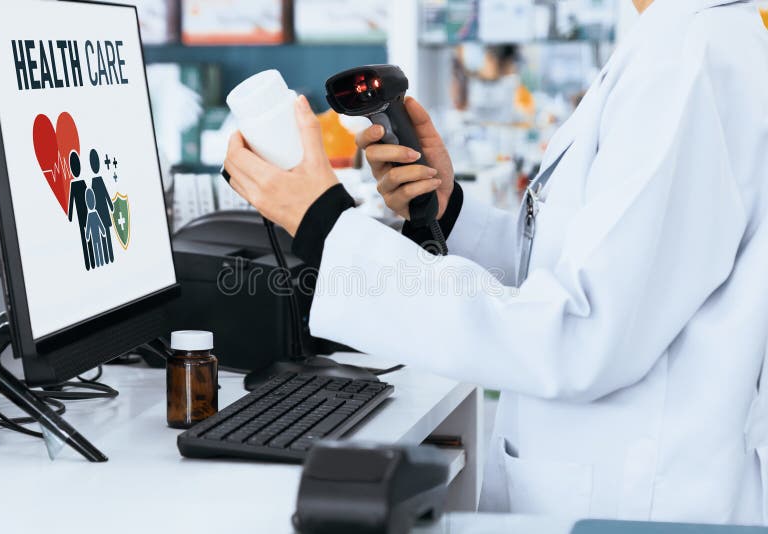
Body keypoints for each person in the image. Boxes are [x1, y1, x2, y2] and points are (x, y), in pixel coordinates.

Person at [223, 0, 768, 523]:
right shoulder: (674, 41)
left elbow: (580, 335)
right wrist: (447, 211)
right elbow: (591, 271)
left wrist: (325, 223)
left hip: (633, 505)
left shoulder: (687, 59)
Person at [67, 151, 94, 270]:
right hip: (84, 214)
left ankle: (90, 262)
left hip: (84, 214)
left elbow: (73, 201)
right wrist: (71, 215)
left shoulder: (79, 183)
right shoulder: (80, 183)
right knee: (87, 238)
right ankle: (90, 262)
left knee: (86, 237)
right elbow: (73, 201)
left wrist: (71, 215)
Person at [89, 149, 115, 265]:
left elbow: (106, 194)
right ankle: (107, 257)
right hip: (100, 212)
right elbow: (101, 196)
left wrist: (111, 205)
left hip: (103, 212)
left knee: (107, 234)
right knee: (105, 235)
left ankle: (110, 256)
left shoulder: (97, 181)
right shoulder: (94, 181)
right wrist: (110, 205)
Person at [84, 189, 107, 269]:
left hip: (94, 236)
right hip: (95, 235)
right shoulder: (92, 215)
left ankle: (99, 262)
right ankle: (99, 262)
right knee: (98, 249)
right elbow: (90, 226)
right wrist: (103, 231)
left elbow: (89, 226)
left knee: (98, 249)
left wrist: (87, 236)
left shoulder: (91, 215)